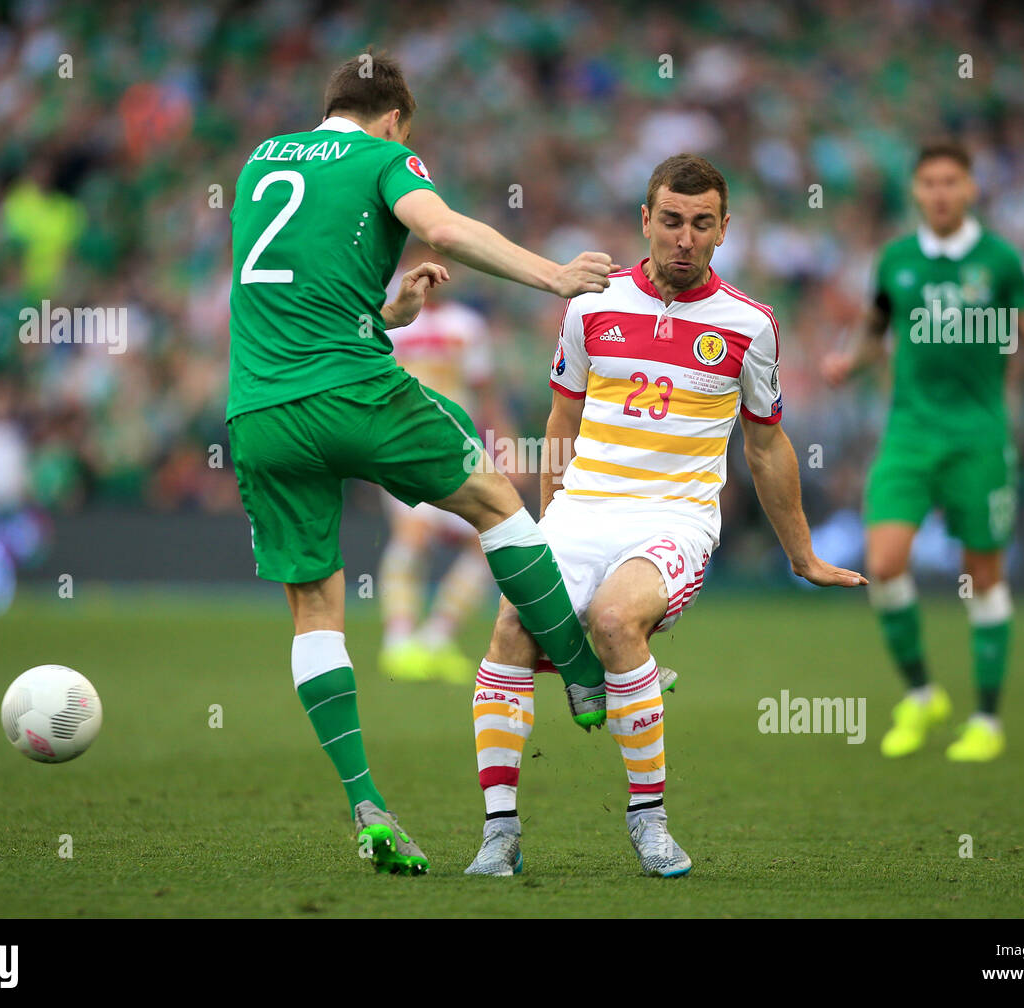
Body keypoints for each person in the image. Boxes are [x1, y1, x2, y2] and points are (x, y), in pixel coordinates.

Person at [226, 50, 620, 875]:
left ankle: (367, 803)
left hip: (259, 410)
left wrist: (390, 309)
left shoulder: (263, 159)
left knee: (315, 612)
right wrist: (553, 275)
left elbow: (297, 288)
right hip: (352, 390)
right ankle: (586, 680)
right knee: (497, 503)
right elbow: (440, 227)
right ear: (397, 117)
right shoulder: (384, 157)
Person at [464, 154, 867, 878]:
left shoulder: (750, 325)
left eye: (701, 223)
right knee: (511, 626)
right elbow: (563, 417)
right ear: (645, 221)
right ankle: (500, 835)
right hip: (581, 510)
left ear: (724, 229)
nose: (685, 237)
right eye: (672, 221)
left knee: (618, 621)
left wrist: (801, 554)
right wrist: (551, 521)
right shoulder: (589, 304)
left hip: (673, 520)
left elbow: (768, 445)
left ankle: (648, 820)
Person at [821, 140, 1024, 763]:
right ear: (915, 191)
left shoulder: (1002, 261)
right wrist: (851, 362)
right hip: (908, 434)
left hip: (980, 437)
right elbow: (877, 329)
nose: (939, 192)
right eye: (928, 182)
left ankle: (986, 719)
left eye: (950, 181)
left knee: (983, 576)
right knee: (884, 560)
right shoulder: (897, 261)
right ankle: (924, 694)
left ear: (971, 189)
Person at [376, 247, 507, 686]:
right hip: (402, 447)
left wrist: (505, 447)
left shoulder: (467, 327)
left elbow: (484, 393)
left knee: (489, 543)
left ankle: (435, 638)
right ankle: (397, 643)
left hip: (457, 447)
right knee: (414, 535)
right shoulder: (387, 320)